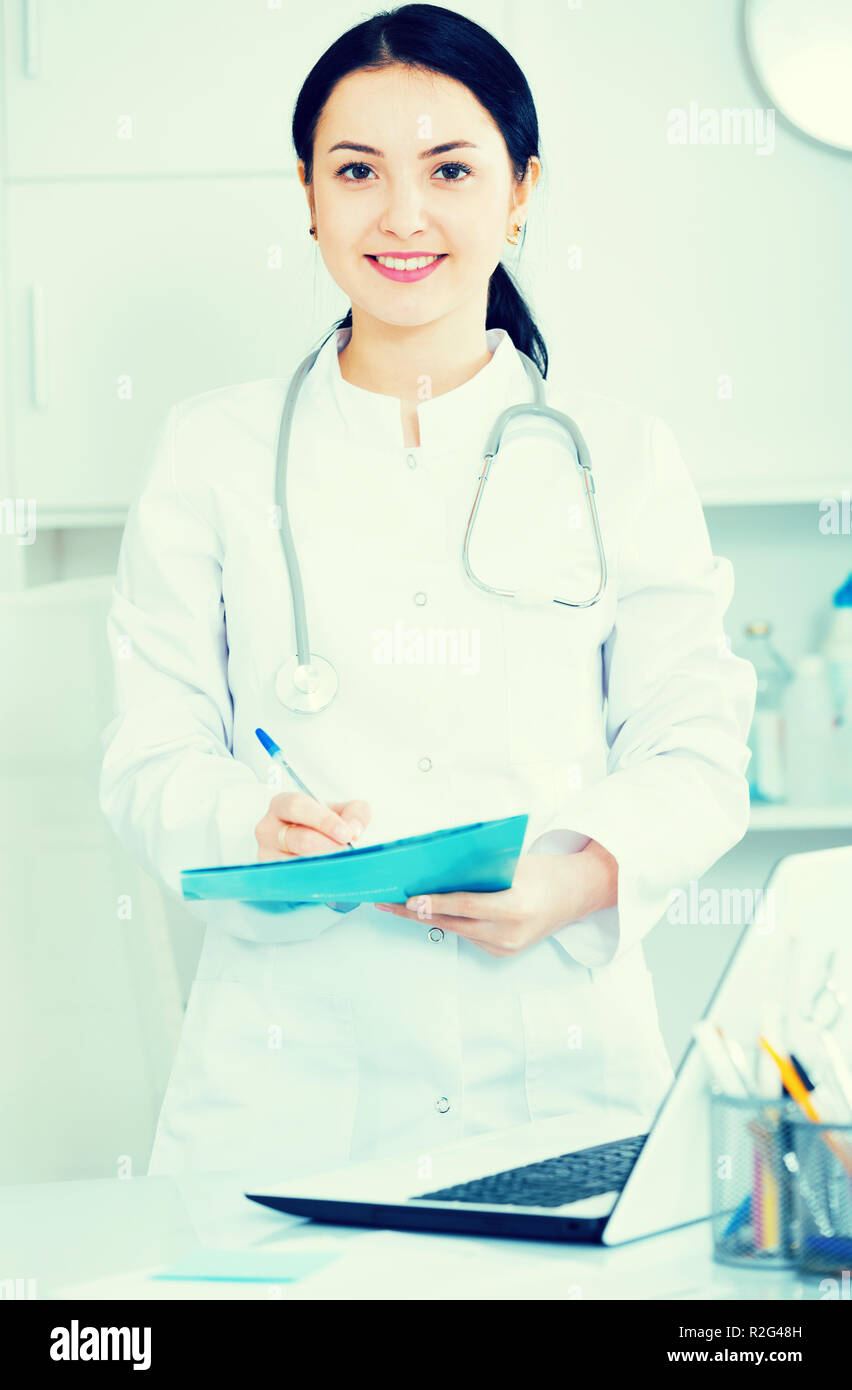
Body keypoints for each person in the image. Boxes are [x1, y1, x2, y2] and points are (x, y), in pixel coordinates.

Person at [99, 4, 756, 1179]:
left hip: (557, 1074)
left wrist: (575, 881)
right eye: (358, 171)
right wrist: (245, 820)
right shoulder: (212, 453)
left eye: (450, 168)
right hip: (283, 1086)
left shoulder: (625, 455)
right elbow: (149, 757)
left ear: (519, 189)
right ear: (307, 194)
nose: (403, 215)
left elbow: (698, 751)